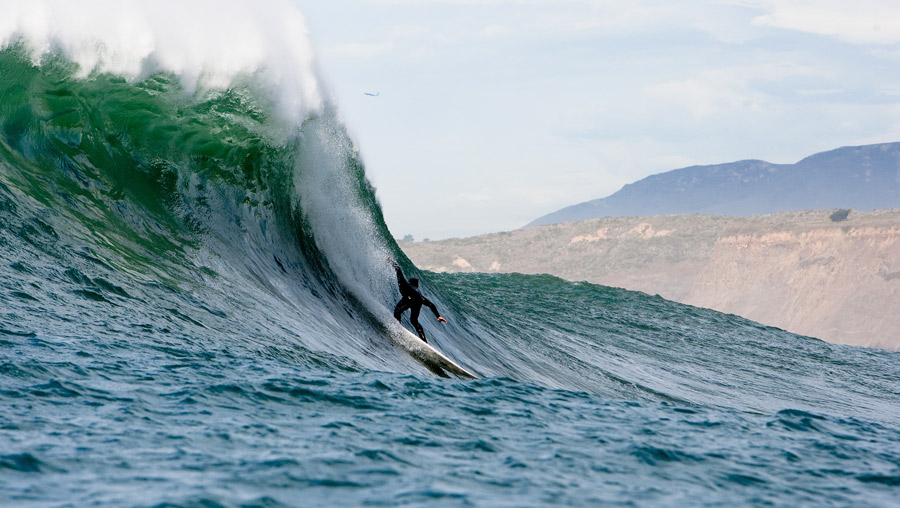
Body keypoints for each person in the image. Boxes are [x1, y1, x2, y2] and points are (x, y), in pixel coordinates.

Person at [387, 257, 446, 343]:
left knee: (397, 312)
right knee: (414, 321)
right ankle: (424, 340)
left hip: (409, 298)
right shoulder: (418, 292)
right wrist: (438, 316)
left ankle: (397, 329)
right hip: (418, 301)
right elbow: (431, 304)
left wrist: (391, 262)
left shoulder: (405, 284)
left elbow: (398, 269)